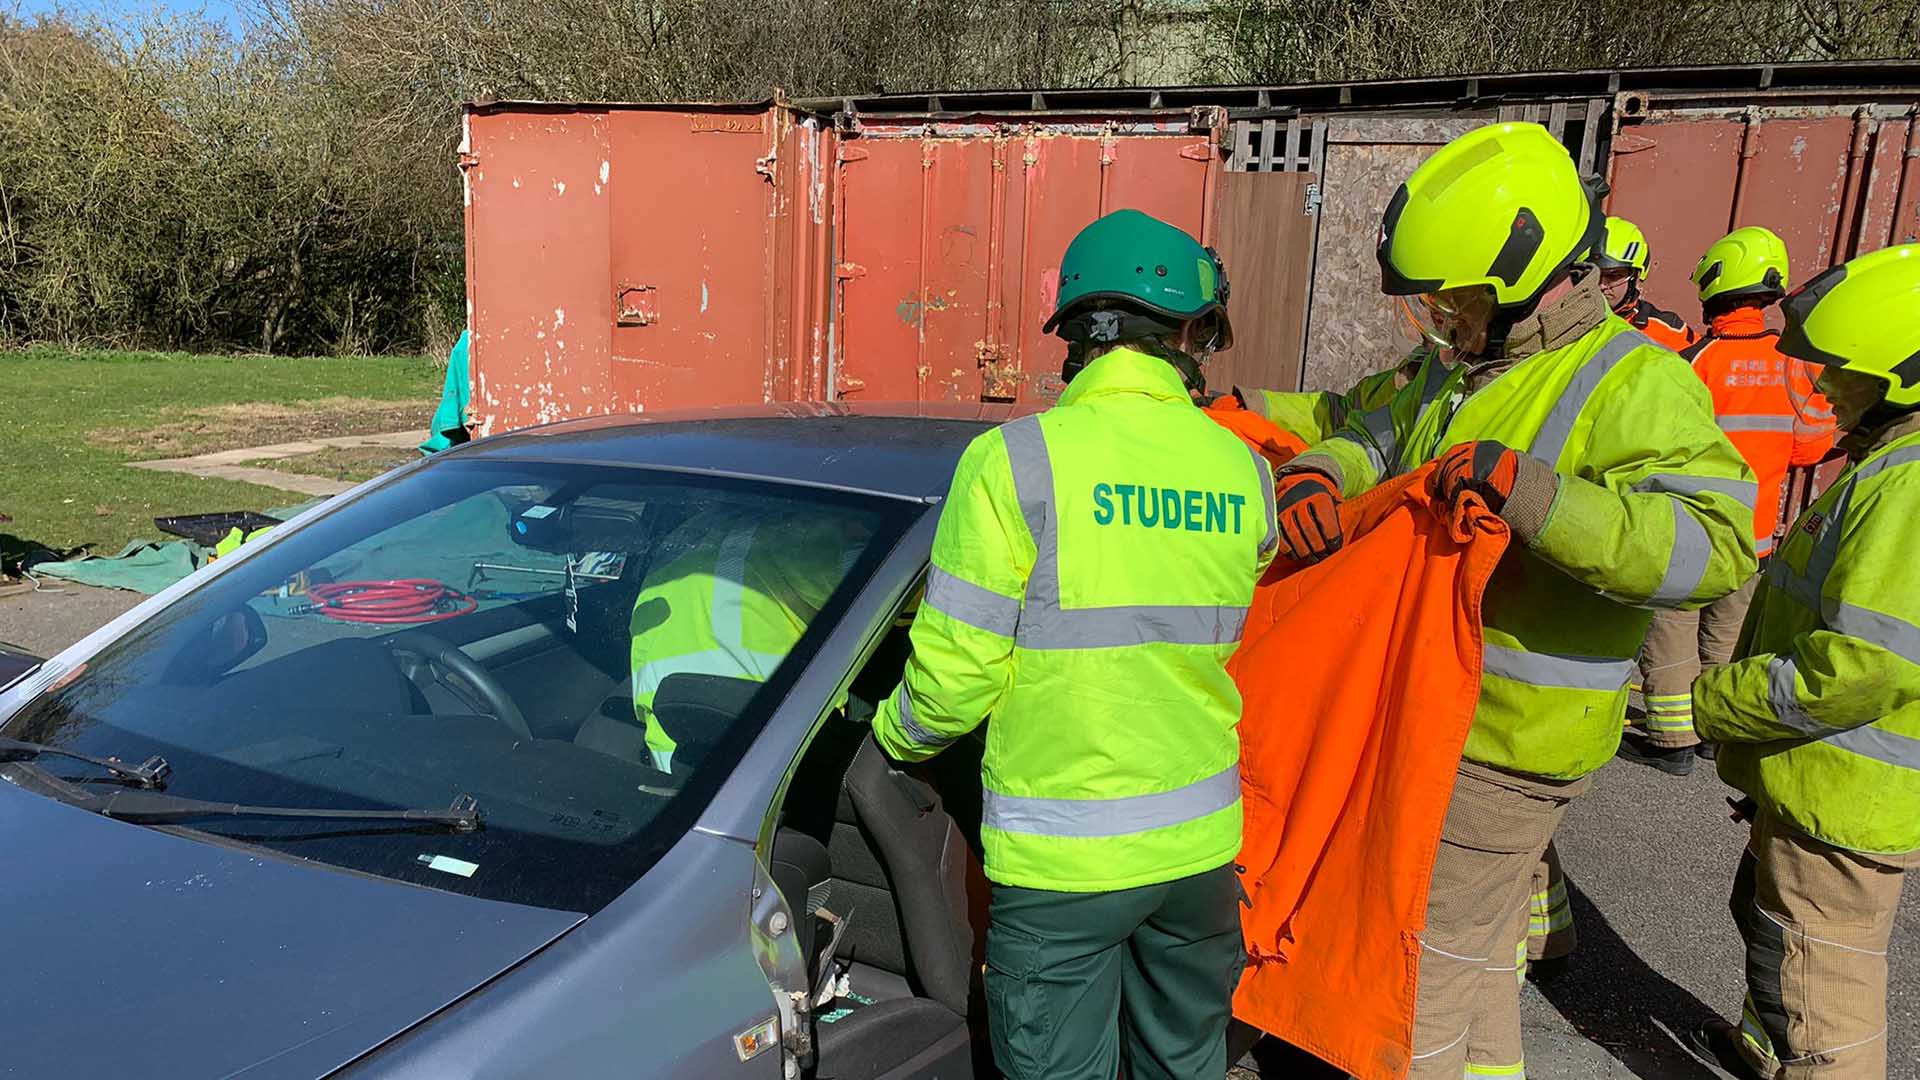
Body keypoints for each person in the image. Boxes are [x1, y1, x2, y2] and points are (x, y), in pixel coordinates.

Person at [1270, 121, 1757, 1079]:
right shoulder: (1465, 367)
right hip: (1440, 722)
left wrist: (1532, 494)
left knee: (1418, 985)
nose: (1440, 317)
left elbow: (1715, 545)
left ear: (1536, 274)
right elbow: (1370, 428)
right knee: (1480, 960)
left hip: (1506, 739)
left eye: (1456, 298)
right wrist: (1319, 473)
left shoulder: (1635, 381)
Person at [868, 208, 1277, 1080]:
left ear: (1079, 334)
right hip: (1200, 853)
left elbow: (952, 686)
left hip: (1063, 867)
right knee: (1184, 1063)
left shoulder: (1014, 461)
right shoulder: (1242, 470)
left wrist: (891, 741)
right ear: (1186, 334)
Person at [1688, 243, 1920, 1080]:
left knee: (1826, 1004)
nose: (1819, 387)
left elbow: (1861, 667)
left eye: (1839, 372)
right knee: (1771, 939)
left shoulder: (1909, 487)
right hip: (1816, 787)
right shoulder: (1886, 468)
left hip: (1844, 804)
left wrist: (1713, 704)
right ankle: (1765, 1055)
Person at [1621, 226, 1835, 776]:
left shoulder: (1695, 360)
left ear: (1716, 287)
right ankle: (1716, 732)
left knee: (1672, 629)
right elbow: (1812, 447)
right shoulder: (1795, 365)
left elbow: (1657, 446)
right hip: (1755, 536)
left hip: (1691, 529)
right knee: (1729, 636)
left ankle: (1672, 741)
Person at [628, 510, 852, 773]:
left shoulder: (681, 540)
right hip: (774, 757)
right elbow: (886, 582)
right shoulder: (798, 536)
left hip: (669, 758)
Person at [1591, 216, 1697, 350]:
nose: (1602, 285)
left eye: (1614, 276)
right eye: (1593, 274)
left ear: (1635, 277)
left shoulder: (1668, 331)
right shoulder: (1563, 322)